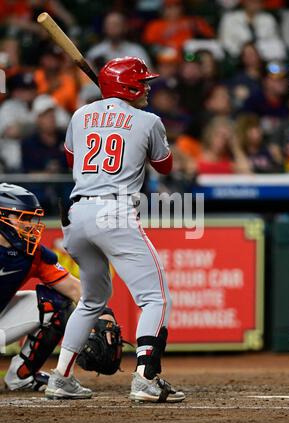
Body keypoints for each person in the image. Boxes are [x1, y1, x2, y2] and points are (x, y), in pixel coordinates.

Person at [45, 56, 185, 403]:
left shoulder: (80, 115)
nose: (149, 87)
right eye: (143, 82)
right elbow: (165, 166)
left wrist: (106, 122)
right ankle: (146, 378)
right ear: (130, 86)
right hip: (114, 211)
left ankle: (60, 377)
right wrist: (130, 126)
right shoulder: (148, 120)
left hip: (76, 215)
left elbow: (72, 161)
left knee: (92, 299)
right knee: (154, 297)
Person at [0, 183, 120, 392]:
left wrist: (104, 314)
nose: (29, 225)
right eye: (22, 218)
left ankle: (21, 376)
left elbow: (75, 290)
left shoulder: (33, 253)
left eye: (30, 219)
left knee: (58, 305)